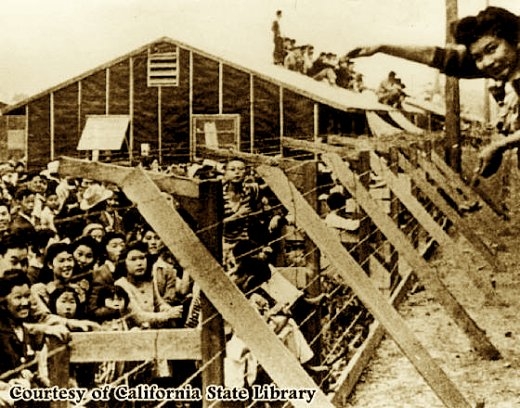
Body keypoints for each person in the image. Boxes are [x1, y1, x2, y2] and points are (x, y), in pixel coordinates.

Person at [347, 6, 520, 177]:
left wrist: (499, 146)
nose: (487, 62)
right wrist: (382, 48)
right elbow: (442, 58)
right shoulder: (505, 64)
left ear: (515, 40)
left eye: (492, 49)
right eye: (478, 57)